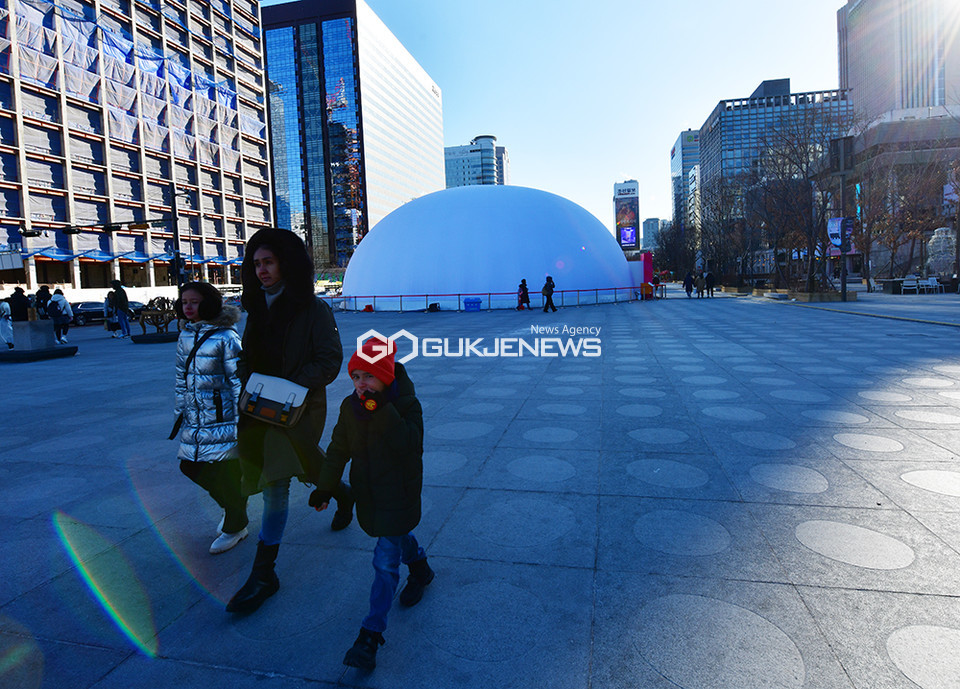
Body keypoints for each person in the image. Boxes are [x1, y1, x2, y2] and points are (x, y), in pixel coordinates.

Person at [227, 227, 350, 614]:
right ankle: (345, 494)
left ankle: (264, 574)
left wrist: (286, 387)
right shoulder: (257, 310)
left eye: (269, 262)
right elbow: (247, 357)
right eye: (256, 264)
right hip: (257, 411)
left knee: (275, 484)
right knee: (308, 466)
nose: (261, 270)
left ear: (287, 264)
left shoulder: (314, 309)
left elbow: (329, 361)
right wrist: (248, 380)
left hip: (296, 411)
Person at [310, 337, 431, 670]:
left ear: (386, 377)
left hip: (398, 494)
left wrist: (382, 411)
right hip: (370, 495)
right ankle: (420, 567)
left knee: (384, 562)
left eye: (369, 376)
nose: (361, 384)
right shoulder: (350, 407)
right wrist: (325, 488)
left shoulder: (406, 405)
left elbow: (409, 445)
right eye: (356, 377)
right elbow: (338, 449)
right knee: (397, 537)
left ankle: (370, 635)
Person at [173, 281, 249, 554]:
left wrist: (242, 418)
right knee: (190, 466)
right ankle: (234, 511)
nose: (188, 307)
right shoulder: (185, 335)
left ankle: (235, 524)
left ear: (209, 303)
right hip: (195, 417)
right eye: (184, 302)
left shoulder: (226, 336)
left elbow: (238, 379)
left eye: (194, 302)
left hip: (223, 417)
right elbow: (181, 377)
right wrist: (180, 410)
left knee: (224, 471)